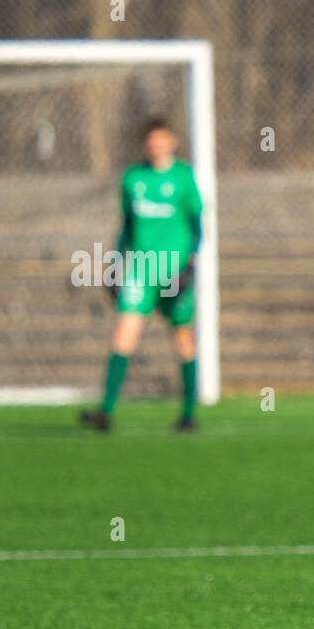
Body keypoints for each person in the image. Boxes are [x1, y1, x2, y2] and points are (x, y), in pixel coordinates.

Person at [81, 117, 202, 432]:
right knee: (124, 333)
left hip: (174, 269)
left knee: (183, 337)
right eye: (151, 140)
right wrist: (115, 263)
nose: (156, 145)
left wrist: (190, 265)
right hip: (140, 269)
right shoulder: (133, 179)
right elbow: (126, 227)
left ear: (172, 141)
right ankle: (105, 411)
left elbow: (197, 226)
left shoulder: (183, 178)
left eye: (161, 139)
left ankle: (189, 414)